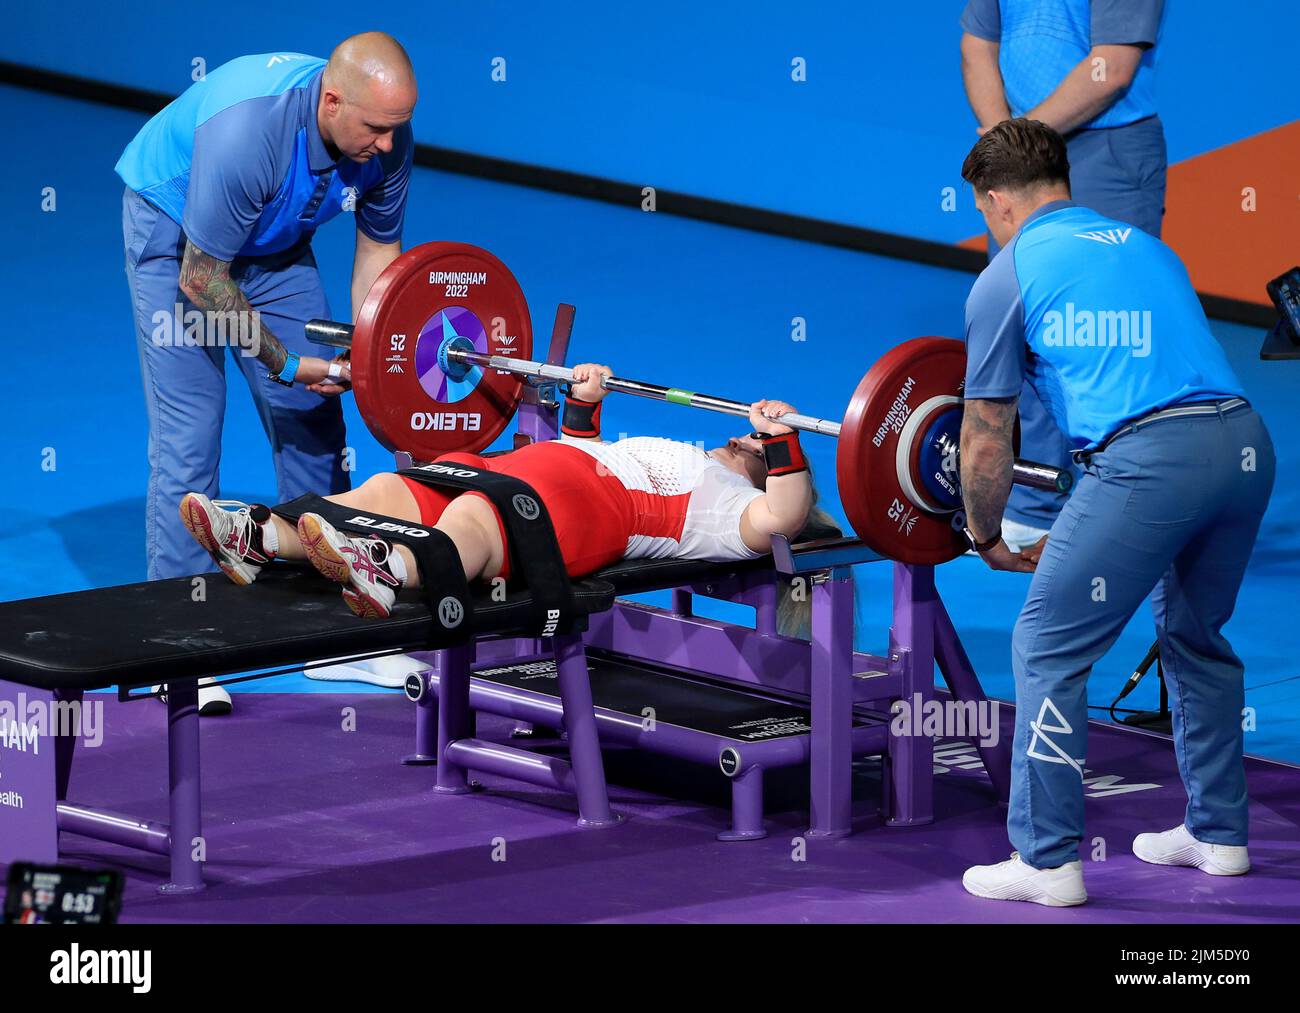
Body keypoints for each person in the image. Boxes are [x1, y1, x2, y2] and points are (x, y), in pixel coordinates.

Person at [956, 119, 1275, 906]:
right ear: (1060, 178)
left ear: (997, 201)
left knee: (1045, 642)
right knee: (1196, 636)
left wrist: (984, 531)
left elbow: (986, 432)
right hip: (1244, 446)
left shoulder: (1007, 273)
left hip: (1152, 463)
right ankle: (1218, 833)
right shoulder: (1144, 247)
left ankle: (1047, 859)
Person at [117, 32, 417, 712]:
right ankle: (180, 643)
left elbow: (379, 254)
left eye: (397, 129)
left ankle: (336, 629)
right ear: (331, 101)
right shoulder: (248, 133)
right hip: (178, 244)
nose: (389, 146)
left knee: (316, 418)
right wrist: (289, 363)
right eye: (376, 129)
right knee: (191, 432)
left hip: (273, 246)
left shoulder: (384, 131)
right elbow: (202, 279)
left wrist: (367, 357)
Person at [178, 365, 832, 616]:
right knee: (390, 487)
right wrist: (583, 399)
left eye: (757, 449)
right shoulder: (691, 455)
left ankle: (391, 570)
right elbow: (582, 447)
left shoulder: (729, 506)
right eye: (751, 439)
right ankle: (265, 537)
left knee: (476, 513)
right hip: (536, 469)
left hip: (583, 511)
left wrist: (784, 441)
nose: (745, 441)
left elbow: (784, 516)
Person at [960, 0, 1168, 549]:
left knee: (1107, 335)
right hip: (1020, 150)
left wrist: (1017, 143)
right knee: (1027, 332)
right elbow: (978, 44)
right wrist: (1007, 143)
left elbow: (1112, 68)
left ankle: (1124, 500)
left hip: (1106, 147)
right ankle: (1033, 500)